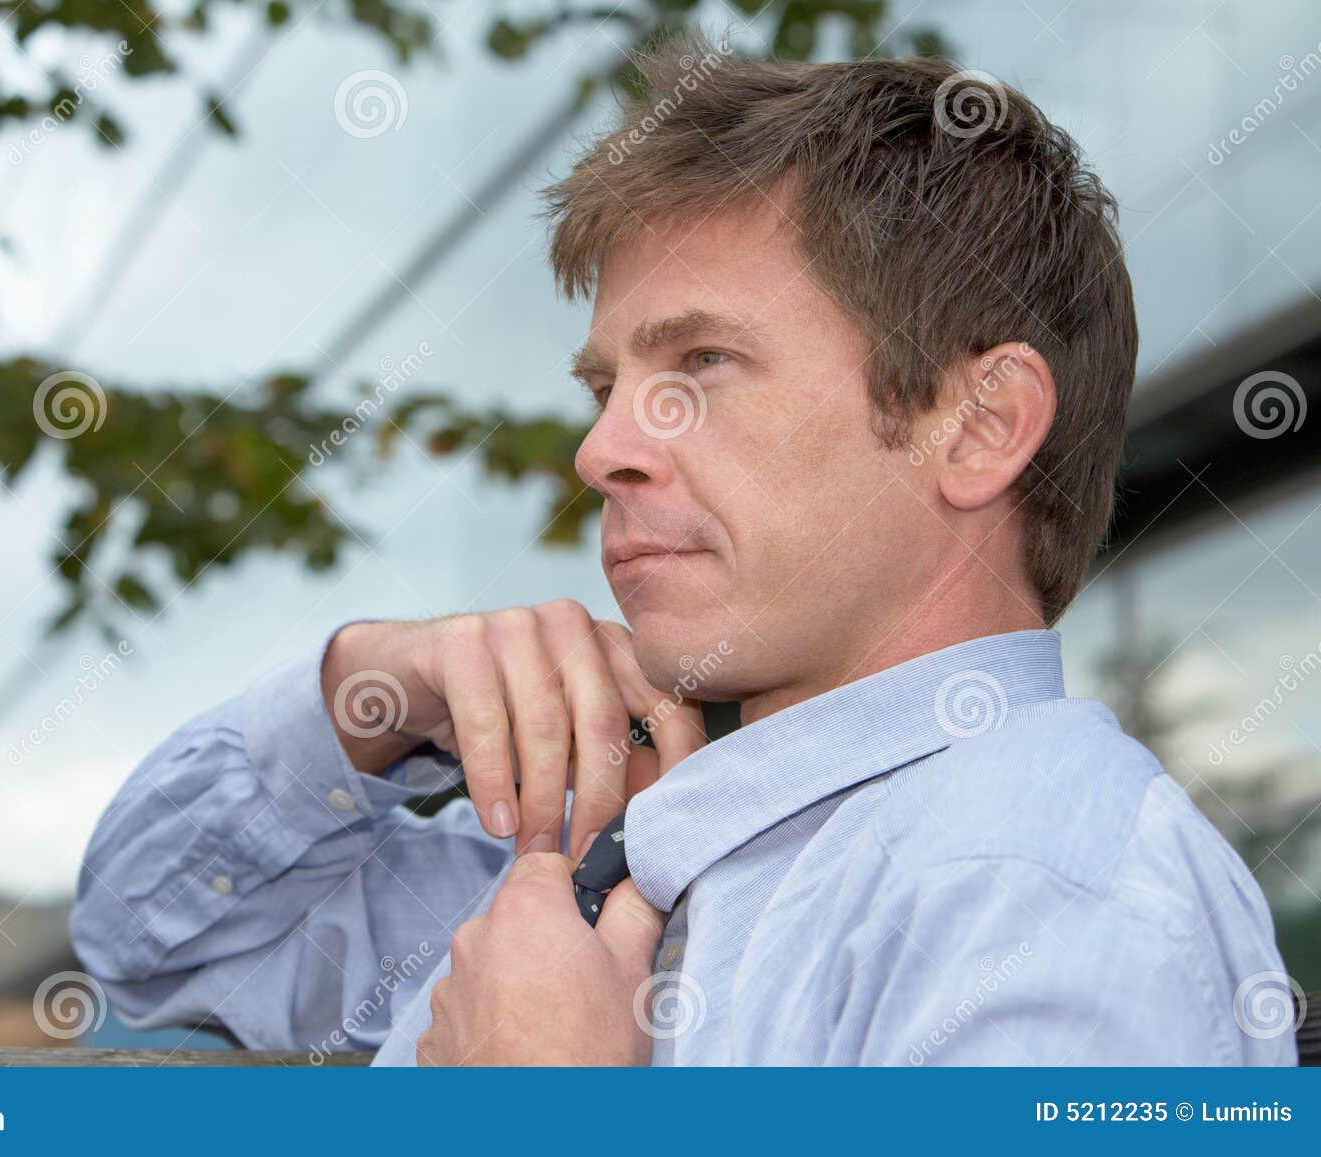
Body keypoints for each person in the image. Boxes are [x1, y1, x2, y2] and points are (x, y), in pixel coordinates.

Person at [69, 33, 1297, 1066]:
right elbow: (157, 938)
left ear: (976, 427)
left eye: (700, 362)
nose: (602, 447)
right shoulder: (617, 845)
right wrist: (372, 694)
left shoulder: (1052, 905)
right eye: (606, 384)